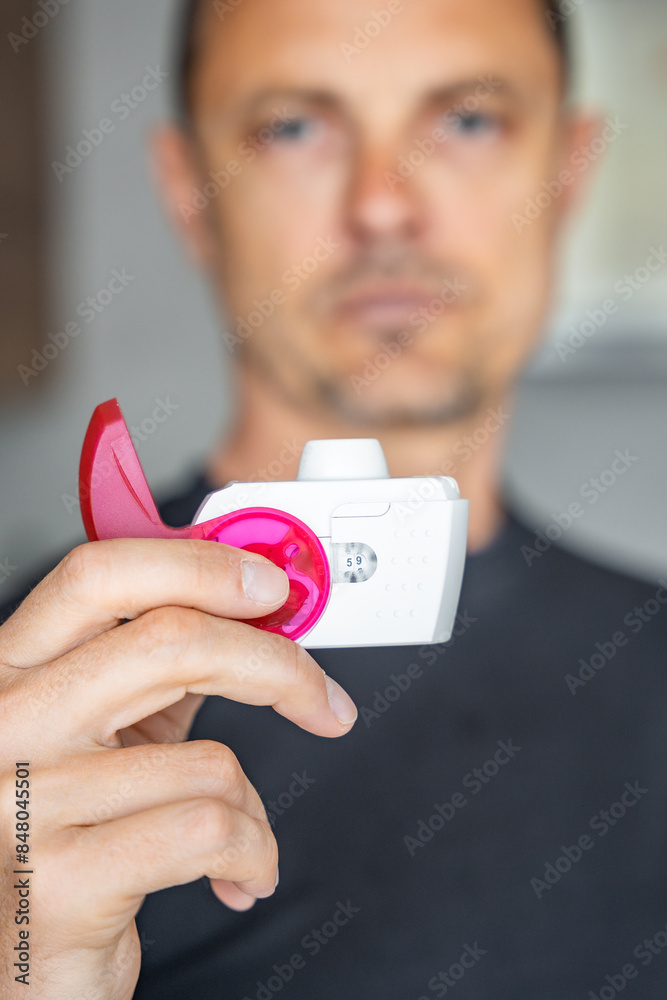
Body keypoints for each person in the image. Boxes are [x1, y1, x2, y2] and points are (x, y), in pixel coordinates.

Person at [1, 0, 666, 997]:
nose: (384, 205)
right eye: (296, 126)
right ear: (190, 191)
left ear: (567, 173)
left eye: (468, 119)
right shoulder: (17, 725)